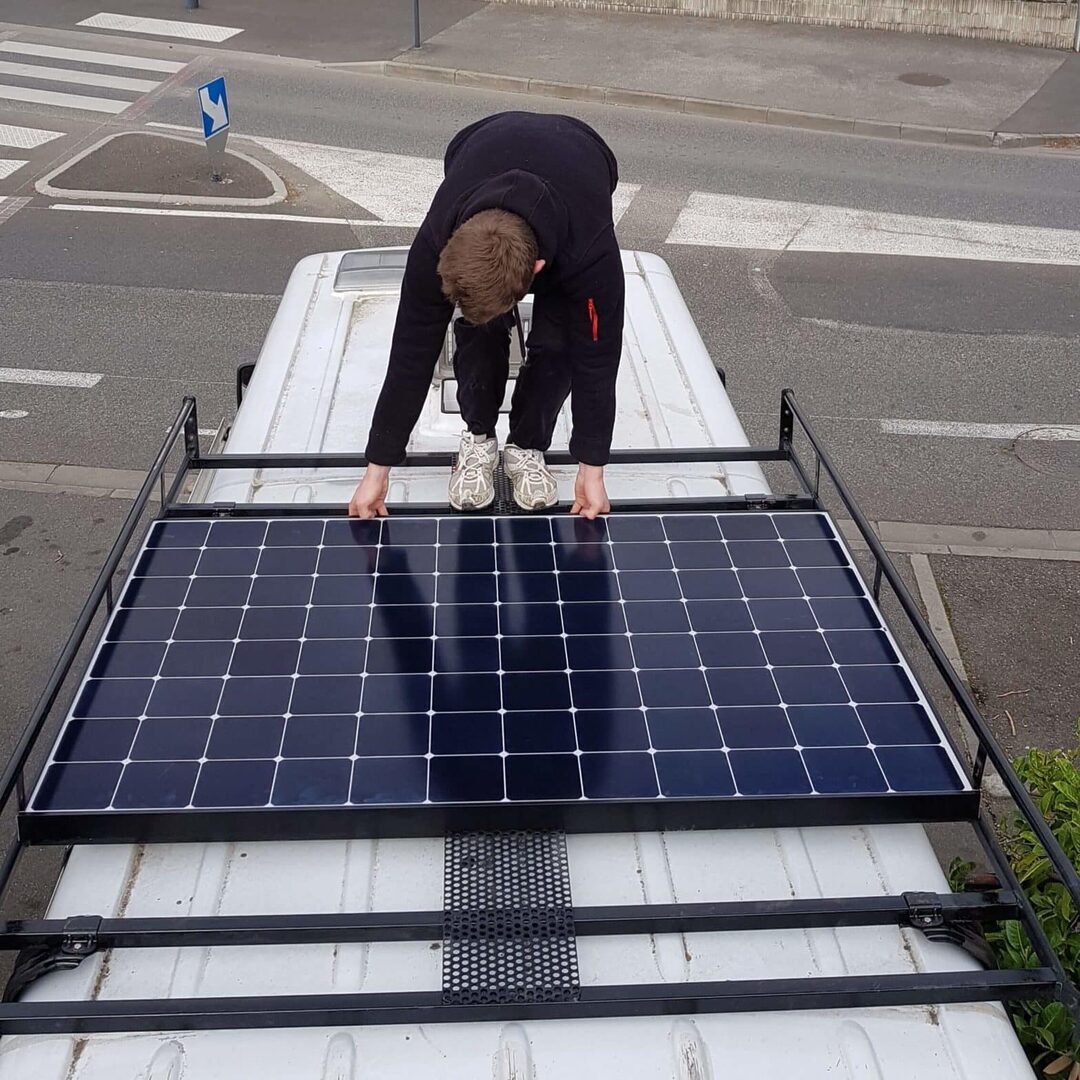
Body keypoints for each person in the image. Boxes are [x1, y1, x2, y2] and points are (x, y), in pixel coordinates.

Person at [348, 111, 624, 520]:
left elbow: (597, 359)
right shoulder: (436, 239)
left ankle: (527, 444)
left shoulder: (590, 249)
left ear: (535, 272)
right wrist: (377, 468)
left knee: (562, 340)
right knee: (481, 325)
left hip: (584, 155)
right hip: (477, 144)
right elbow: (410, 353)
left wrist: (592, 467)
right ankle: (479, 437)